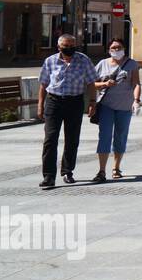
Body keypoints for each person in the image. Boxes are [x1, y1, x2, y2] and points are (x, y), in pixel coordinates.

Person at [37, 34, 98, 188]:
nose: (69, 48)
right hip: (54, 102)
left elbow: (91, 82)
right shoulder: (50, 61)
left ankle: (67, 171)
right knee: (50, 139)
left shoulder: (83, 60)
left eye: (72, 45)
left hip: (75, 102)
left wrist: (92, 102)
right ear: (59, 47)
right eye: (66, 45)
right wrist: (40, 105)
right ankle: (49, 176)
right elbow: (43, 84)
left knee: (72, 139)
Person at [91, 38, 141, 182]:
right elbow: (92, 84)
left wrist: (136, 101)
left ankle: (116, 167)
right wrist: (105, 83)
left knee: (120, 136)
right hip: (106, 105)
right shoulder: (102, 64)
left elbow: (136, 83)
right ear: (108, 50)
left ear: (124, 48)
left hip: (125, 106)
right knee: (104, 136)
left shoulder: (131, 64)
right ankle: (101, 171)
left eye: (119, 47)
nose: (116, 50)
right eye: (113, 48)